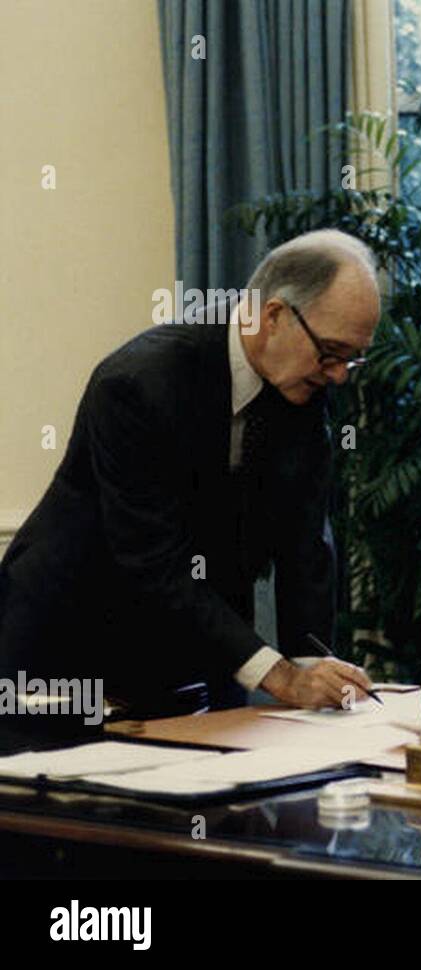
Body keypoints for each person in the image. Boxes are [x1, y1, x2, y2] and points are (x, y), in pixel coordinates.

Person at [0, 229, 380, 717]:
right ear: (274, 316)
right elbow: (154, 560)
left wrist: (313, 673)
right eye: (331, 352)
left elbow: (305, 545)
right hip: (70, 647)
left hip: (200, 649)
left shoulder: (302, 388)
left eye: (352, 357)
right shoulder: (138, 384)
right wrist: (281, 676)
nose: (340, 374)